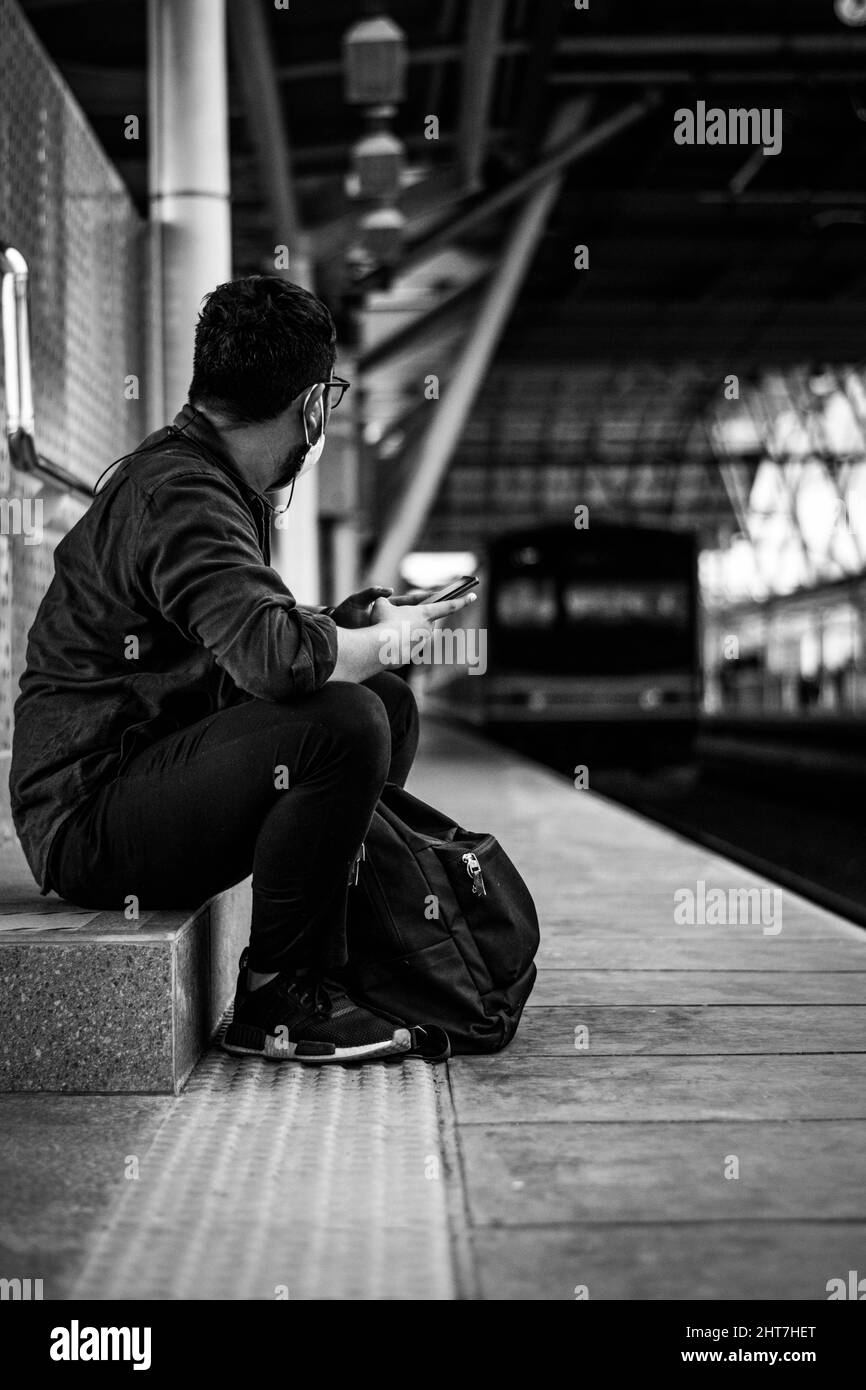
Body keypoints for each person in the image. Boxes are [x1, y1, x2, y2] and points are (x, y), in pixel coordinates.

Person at [9, 275, 475, 1065]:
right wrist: (389, 639)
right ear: (312, 406)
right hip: (86, 822)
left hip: (139, 776)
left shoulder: (212, 478)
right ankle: (274, 994)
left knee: (382, 703)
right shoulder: (183, 494)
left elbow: (250, 644)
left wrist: (350, 624)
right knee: (347, 721)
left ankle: (337, 955)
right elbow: (279, 664)